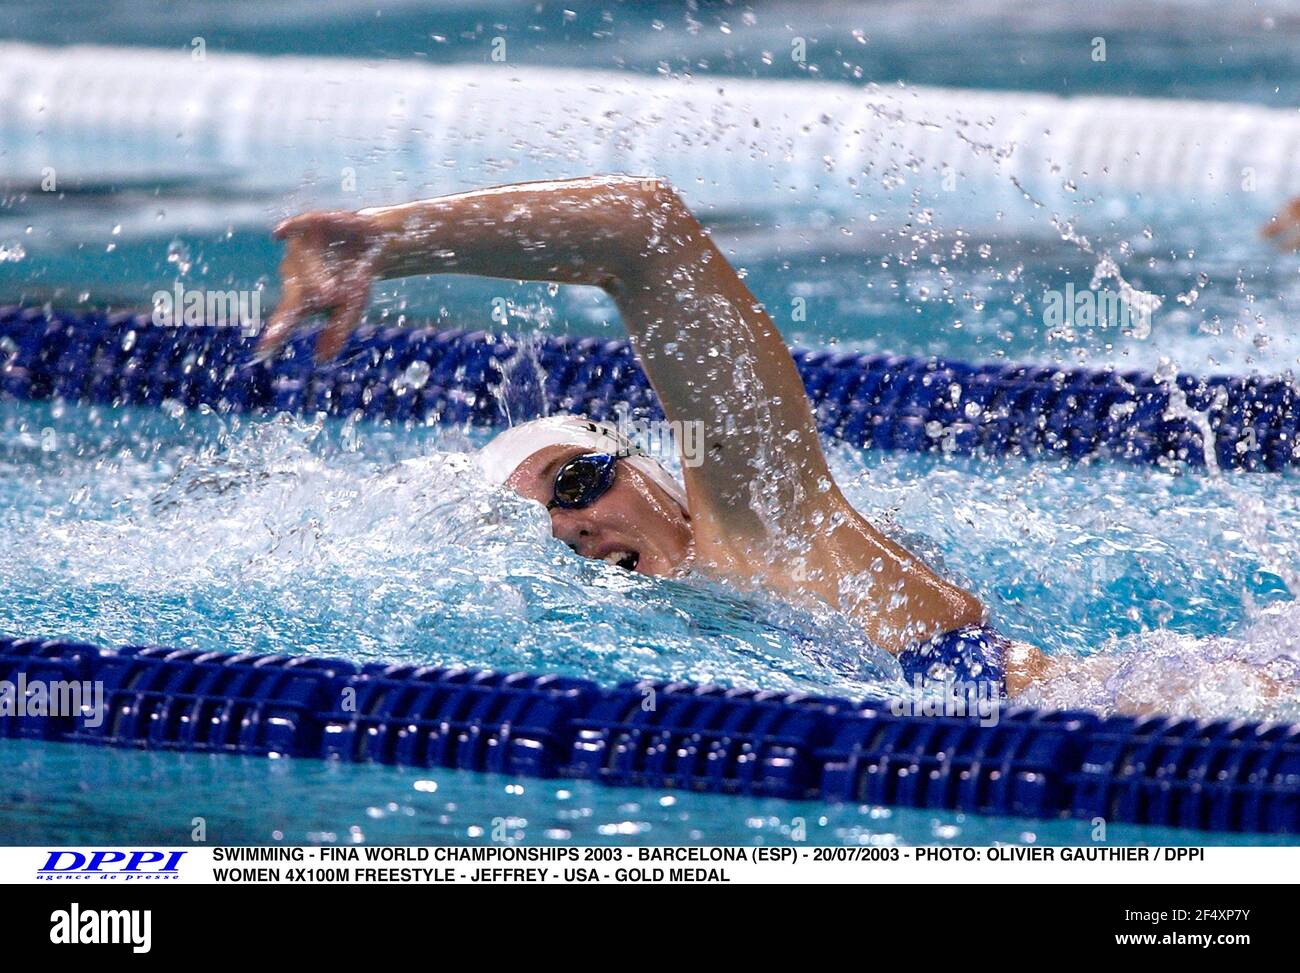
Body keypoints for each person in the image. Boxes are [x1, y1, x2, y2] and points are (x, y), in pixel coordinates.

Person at [258, 175, 1048, 695]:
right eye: (545, 527)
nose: (571, 523)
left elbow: (642, 229)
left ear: (653, 473)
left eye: (575, 480)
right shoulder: (697, 640)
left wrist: (389, 241)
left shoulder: (764, 530)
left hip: (1110, 714)